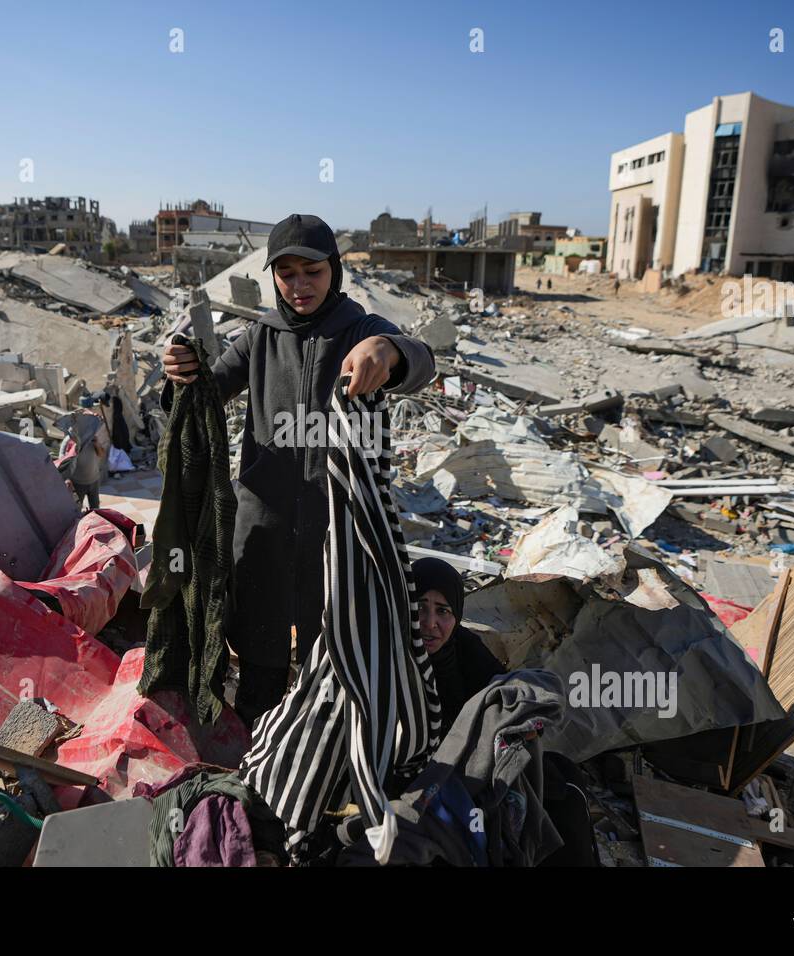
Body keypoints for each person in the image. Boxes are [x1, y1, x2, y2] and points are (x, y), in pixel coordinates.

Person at [162, 213, 436, 727]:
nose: (299, 285)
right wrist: (180, 375)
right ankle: (255, 759)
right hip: (262, 521)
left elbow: (422, 362)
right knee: (259, 650)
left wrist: (390, 350)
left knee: (330, 649)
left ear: (333, 270)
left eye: (311, 271)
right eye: (286, 273)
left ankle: (322, 755)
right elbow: (207, 394)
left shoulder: (360, 329)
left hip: (336, 525)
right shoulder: (261, 336)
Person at [411, 557, 505, 733]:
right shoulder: (384, 657)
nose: (430, 623)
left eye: (443, 611)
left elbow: (503, 689)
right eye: (420, 607)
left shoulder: (465, 646)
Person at [64, 394, 111, 512]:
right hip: (78, 483)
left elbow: (101, 454)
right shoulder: (69, 441)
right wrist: (67, 480)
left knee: (96, 511)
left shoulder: (92, 437)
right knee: (76, 511)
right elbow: (64, 462)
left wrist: (96, 443)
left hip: (94, 480)